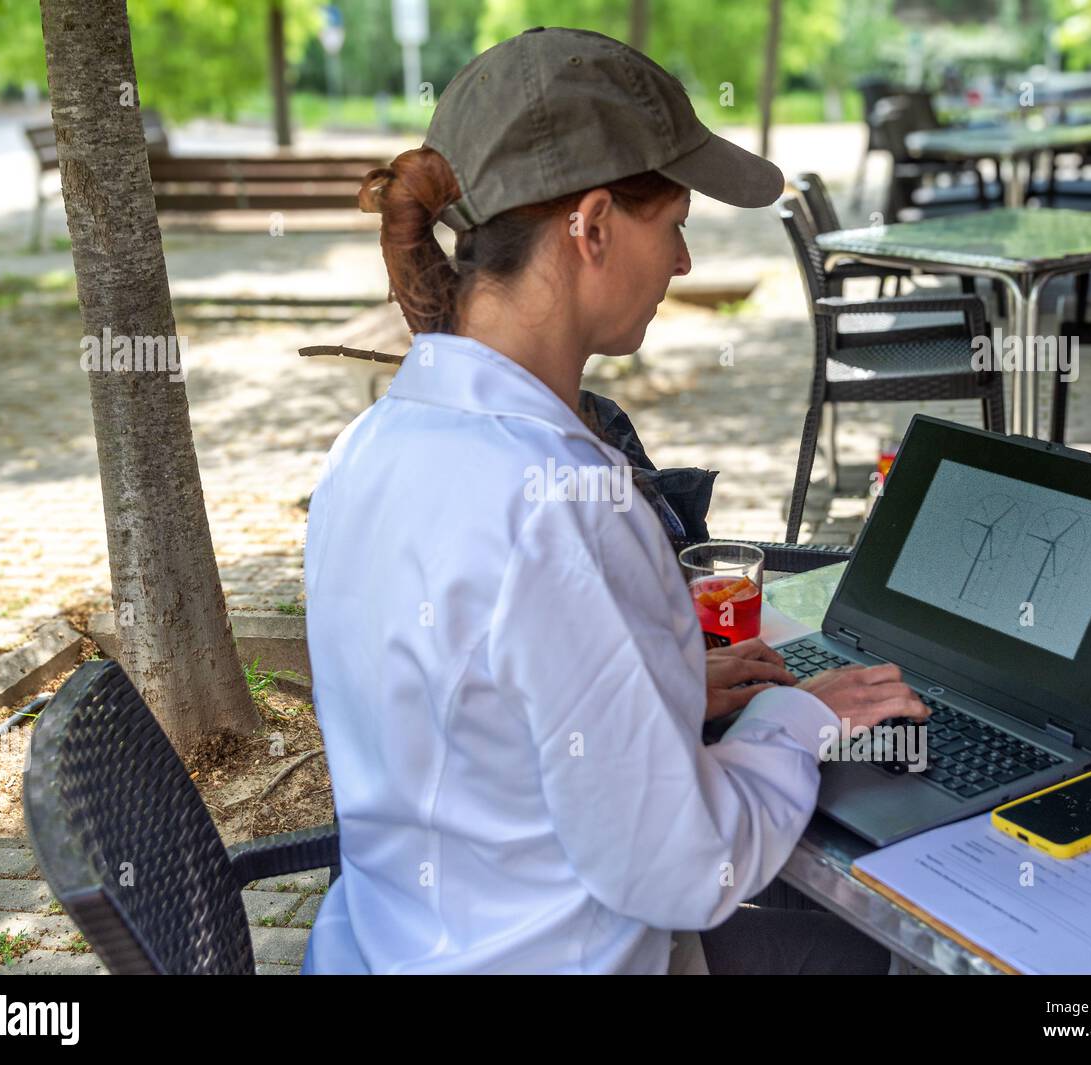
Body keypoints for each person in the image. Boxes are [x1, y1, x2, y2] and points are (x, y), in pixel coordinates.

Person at [301, 26, 927, 975]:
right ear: (590, 224)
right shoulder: (564, 506)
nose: (679, 262)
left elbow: (472, 714)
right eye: (673, 221)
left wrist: (658, 689)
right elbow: (689, 870)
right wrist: (802, 720)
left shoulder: (368, 448)